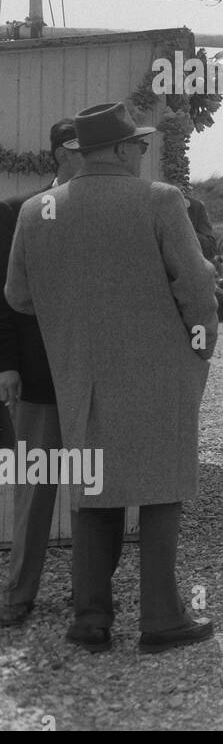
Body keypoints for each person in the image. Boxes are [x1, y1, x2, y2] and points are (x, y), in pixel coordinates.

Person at [5, 102, 217, 653]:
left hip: (78, 374)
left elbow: (18, 296)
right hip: (156, 369)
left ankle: (91, 619)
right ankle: (162, 619)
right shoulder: (161, 201)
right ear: (122, 150)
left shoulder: (37, 210)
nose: (142, 153)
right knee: (160, 491)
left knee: (93, 495)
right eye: (139, 145)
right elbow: (195, 286)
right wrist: (200, 345)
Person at [0, 119, 81, 628]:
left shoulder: (112, 211)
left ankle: (88, 593)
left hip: (99, 376)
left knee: (95, 488)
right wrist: (6, 362)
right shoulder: (14, 213)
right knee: (35, 486)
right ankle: (18, 594)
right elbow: (3, 298)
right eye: (77, 149)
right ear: (59, 155)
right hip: (37, 373)